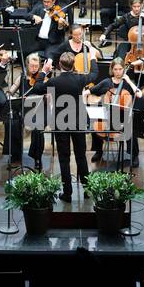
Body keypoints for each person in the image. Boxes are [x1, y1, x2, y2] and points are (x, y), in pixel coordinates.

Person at [40, 52, 90, 200]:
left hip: (60, 122)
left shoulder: (54, 81)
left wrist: (44, 71)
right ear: (73, 64)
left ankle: (67, 193)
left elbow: (37, 87)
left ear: (60, 65)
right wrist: (92, 57)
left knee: (64, 158)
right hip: (78, 121)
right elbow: (94, 74)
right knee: (81, 156)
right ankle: (87, 190)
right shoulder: (81, 79)